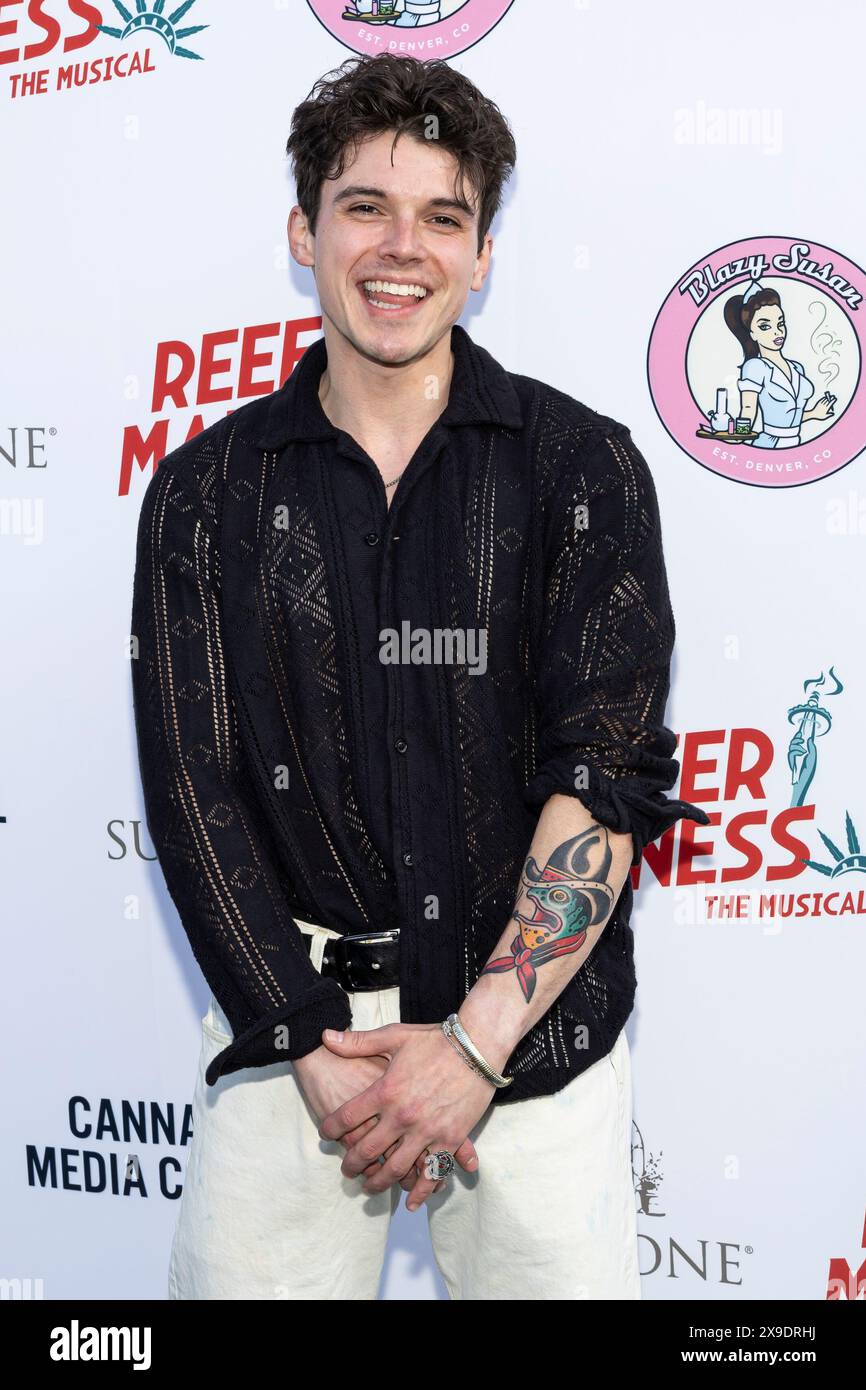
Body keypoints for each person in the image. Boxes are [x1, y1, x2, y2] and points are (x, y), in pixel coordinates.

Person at [130, 52, 710, 1301]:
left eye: (443, 216)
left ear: (483, 251)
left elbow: (602, 778)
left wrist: (472, 1045)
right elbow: (195, 786)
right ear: (303, 230)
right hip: (292, 1037)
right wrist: (304, 1041)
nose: (403, 249)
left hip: (531, 1035)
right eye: (365, 208)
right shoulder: (205, 492)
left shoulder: (580, 470)